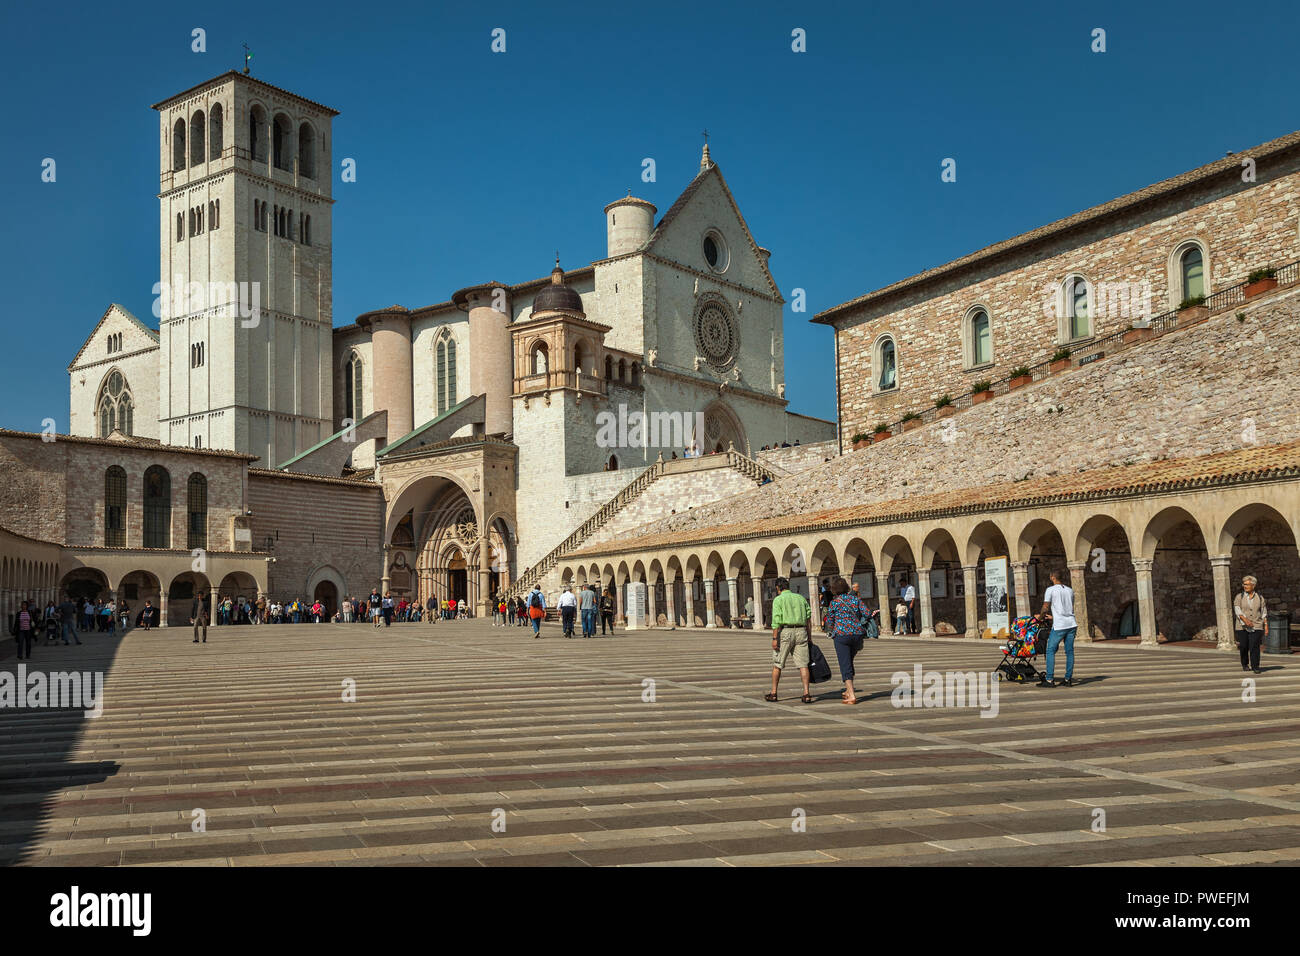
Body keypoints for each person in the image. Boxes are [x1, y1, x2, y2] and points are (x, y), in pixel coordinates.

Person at [765, 577, 813, 703]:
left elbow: (776, 621)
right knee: (803, 664)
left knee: (778, 664)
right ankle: (806, 693)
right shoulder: (800, 598)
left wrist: (775, 638)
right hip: (801, 631)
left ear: (777, 588)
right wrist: (809, 637)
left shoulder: (778, 599)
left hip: (786, 632)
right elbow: (808, 618)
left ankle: (774, 693)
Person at [824, 577, 869, 705]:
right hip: (857, 635)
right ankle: (848, 691)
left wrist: (832, 628)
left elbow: (830, 620)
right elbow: (866, 613)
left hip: (842, 636)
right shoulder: (856, 599)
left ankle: (851, 694)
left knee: (845, 664)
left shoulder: (835, 602)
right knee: (849, 661)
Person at [1038, 570, 1078, 688]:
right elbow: (1068, 609)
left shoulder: (1050, 590)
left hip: (1060, 625)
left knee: (1050, 650)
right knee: (1069, 652)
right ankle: (1068, 679)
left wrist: (1040, 618)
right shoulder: (1070, 590)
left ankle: (1049, 679)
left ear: (1052, 577)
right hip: (1071, 624)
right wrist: (1053, 616)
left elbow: (1045, 607)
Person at [1234, 575, 1268, 675]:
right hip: (1242, 626)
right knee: (1244, 646)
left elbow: (1263, 612)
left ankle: (1255, 666)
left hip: (1256, 625)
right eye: (1244, 584)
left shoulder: (1260, 597)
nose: (1245, 586)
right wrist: (1245, 620)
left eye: (1247, 584)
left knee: (1254, 646)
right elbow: (1237, 610)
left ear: (1253, 585)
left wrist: (1265, 625)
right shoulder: (1239, 597)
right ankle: (1245, 664)